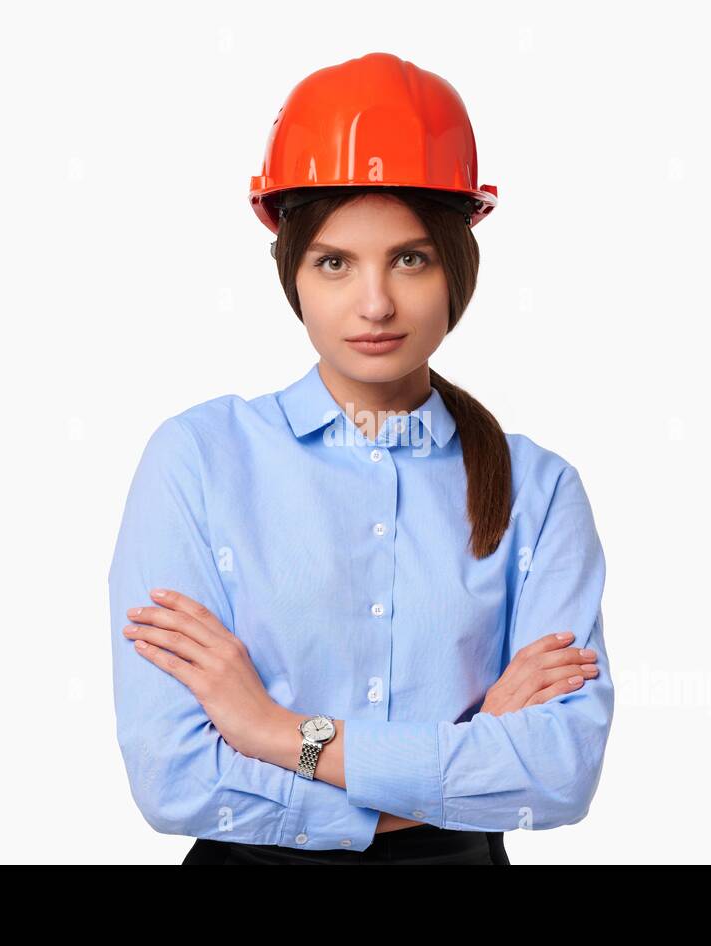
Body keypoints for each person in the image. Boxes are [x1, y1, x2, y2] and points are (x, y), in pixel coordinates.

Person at [108, 52, 614, 866]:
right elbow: (174, 780)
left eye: (409, 258)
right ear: (293, 275)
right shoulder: (198, 460)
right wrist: (459, 764)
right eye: (334, 261)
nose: (374, 303)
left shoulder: (540, 492)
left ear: (457, 268)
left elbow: (559, 775)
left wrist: (277, 733)